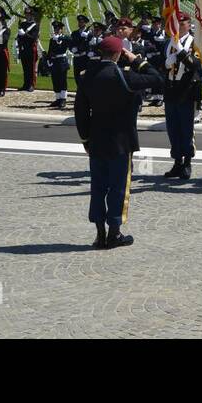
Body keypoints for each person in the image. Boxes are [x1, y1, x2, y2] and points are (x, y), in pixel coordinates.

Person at [74, 34, 164, 249]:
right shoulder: (125, 75)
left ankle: (99, 234)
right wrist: (136, 60)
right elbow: (157, 79)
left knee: (98, 187)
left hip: (96, 140)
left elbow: (81, 112)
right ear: (118, 53)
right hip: (122, 141)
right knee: (118, 188)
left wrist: (86, 139)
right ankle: (114, 233)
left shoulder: (86, 75)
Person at [162, 12, 202, 180]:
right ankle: (177, 161)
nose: (179, 25)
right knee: (173, 129)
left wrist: (180, 53)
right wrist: (165, 63)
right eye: (176, 23)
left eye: (183, 22)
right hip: (171, 90)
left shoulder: (195, 42)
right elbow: (161, 64)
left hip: (187, 91)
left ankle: (187, 162)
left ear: (189, 24)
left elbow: (196, 65)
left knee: (186, 129)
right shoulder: (168, 43)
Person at [46, 19, 71, 109]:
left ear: (61, 29)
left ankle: (63, 99)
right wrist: (48, 60)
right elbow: (50, 51)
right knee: (55, 80)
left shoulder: (64, 38)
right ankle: (57, 99)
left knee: (62, 80)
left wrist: (60, 38)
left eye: (58, 29)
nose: (56, 30)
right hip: (54, 61)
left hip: (62, 61)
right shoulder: (52, 39)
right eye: (55, 29)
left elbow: (69, 40)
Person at [15, 7, 40, 92]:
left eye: (29, 14)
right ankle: (26, 84)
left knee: (31, 68)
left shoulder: (35, 25)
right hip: (24, 49)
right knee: (25, 68)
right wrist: (18, 40)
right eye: (26, 14)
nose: (27, 16)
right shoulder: (23, 24)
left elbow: (33, 38)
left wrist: (24, 35)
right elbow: (19, 37)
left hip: (31, 49)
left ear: (32, 15)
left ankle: (31, 85)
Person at [69, 14, 92, 86]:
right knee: (77, 75)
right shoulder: (74, 33)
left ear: (85, 23)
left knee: (84, 75)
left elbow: (91, 44)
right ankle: (79, 91)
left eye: (82, 22)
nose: (80, 23)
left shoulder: (89, 33)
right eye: (79, 22)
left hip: (84, 57)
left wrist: (88, 36)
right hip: (76, 57)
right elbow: (71, 44)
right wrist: (72, 49)